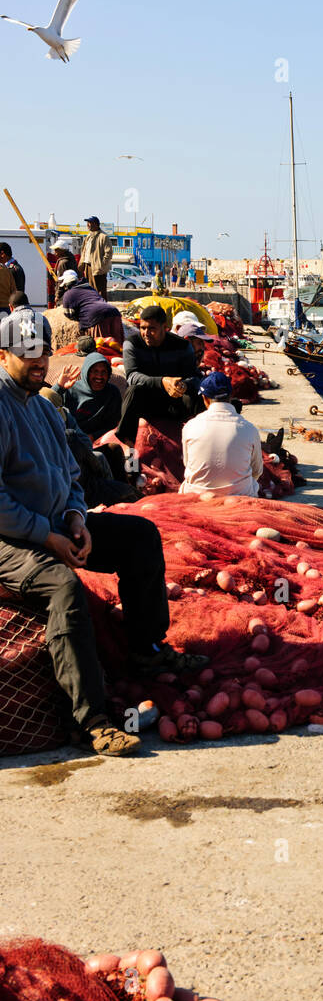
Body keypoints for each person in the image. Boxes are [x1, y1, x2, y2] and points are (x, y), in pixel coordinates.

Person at [0, 307, 207, 757]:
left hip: (57, 522)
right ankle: (92, 719)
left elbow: (71, 477)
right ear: (3, 355)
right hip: (10, 538)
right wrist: (46, 537)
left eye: (43, 353)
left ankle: (147, 647)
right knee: (63, 589)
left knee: (140, 537)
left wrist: (76, 518)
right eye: (26, 354)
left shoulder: (42, 407)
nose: (38, 362)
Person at [116, 304, 203, 445]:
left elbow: (195, 376)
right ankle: (128, 445)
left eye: (152, 329)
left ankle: (200, 442)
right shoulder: (132, 343)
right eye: (143, 328)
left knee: (196, 394)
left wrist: (183, 385)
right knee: (133, 391)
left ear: (165, 328)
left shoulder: (182, 345)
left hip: (175, 400)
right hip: (147, 400)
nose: (146, 333)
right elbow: (132, 376)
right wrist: (162, 382)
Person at [180, 370, 263, 498]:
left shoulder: (190, 426)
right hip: (240, 496)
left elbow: (188, 464)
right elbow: (257, 471)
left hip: (198, 496)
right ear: (230, 396)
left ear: (205, 399)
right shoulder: (249, 429)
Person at [52, 352, 122, 440]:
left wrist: (93, 437)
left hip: (99, 440)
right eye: (95, 371)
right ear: (87, 372)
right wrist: (59, 387)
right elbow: (46, 404)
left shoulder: (112, 393)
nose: (99, 376)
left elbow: (114, 425)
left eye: (103, 372)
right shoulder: (70, 388)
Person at [57, 271, 125, 344]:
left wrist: (81, 318)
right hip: (114, 312)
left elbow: (69, 314)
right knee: (118, 345)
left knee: (102, 346)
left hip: (97, 317)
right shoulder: (90, 288)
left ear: (66, 284)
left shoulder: (68, 294)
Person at [79, 217, 113, 299]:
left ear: (96, 224)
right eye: (87, 223)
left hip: (98, 269)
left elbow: (108, 253)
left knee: (100, 291)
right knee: (89, 290)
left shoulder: (103, 236)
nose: (88, 225)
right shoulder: (88, 237)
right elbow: (84, 251)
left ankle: (102, 309)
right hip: (88, 267)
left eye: (90, 223)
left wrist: (101, 266)